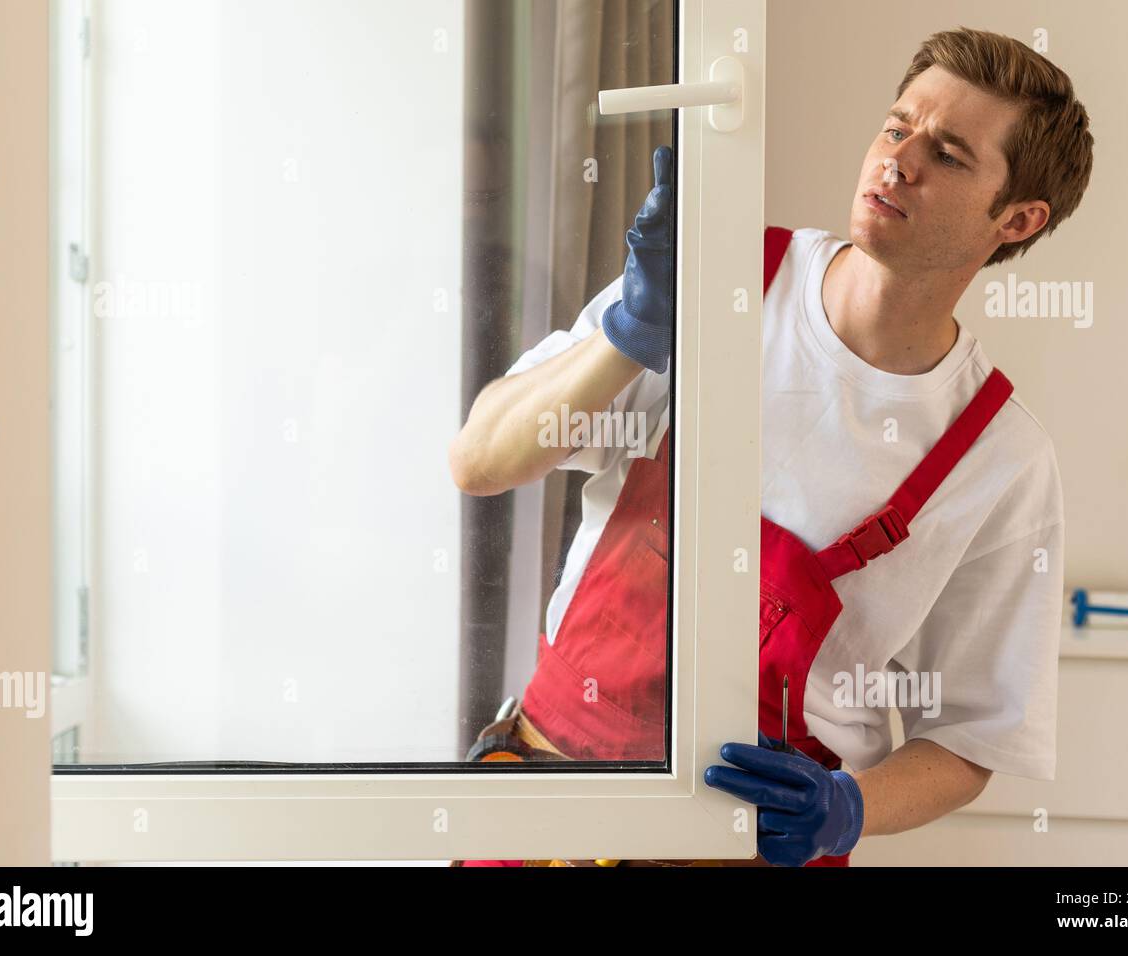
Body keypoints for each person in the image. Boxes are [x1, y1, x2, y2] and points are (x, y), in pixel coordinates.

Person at [449, 26, 1094, 867]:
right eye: (897, 127)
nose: (899, 161)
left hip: (740, 849)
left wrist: (850, 806)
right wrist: (631, 332)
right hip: (548, 805)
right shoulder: (720, 278)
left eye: (948, 154)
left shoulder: (998, 459)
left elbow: (976, 738)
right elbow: (479, 460)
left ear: (1017, 218)